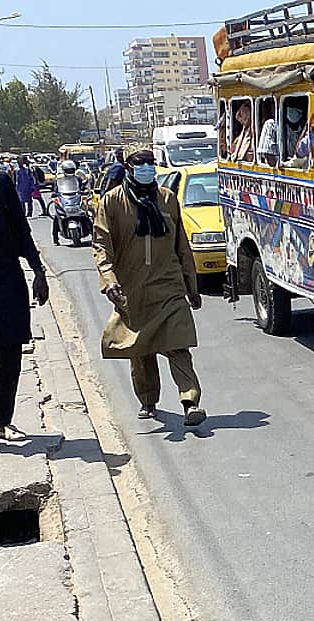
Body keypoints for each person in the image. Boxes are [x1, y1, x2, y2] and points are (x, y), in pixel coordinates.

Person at [93, 150, 207, 426]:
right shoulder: (112, 202)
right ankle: (148, 400)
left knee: (178, 345)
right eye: (139, 164)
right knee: (140, 350)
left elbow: (182, 246)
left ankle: (190, 402)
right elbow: (101, 244)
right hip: (133, 289)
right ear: (129, 168)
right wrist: (109, 279)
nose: (146, 168)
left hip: (168, 287)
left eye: (149, 164)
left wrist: (192, 288)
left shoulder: (167, 199)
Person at [0, 166, 50, 452]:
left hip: (8, 281)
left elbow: (21, 228)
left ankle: (3, 420)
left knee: (11, 356)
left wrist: (39, 272)